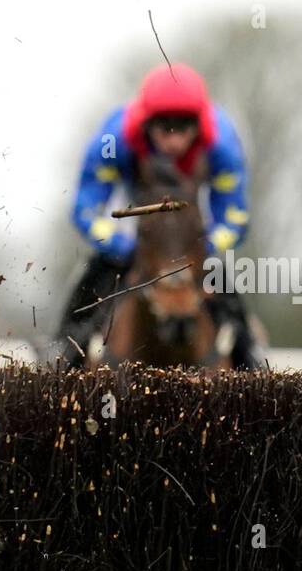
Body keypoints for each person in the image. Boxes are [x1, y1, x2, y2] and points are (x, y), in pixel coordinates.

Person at [56, 62, 264, 367]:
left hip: (192, 235)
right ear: (146, 124)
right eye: (164, 128)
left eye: (183, 129)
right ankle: (65, 352)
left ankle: (250, 358)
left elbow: (235, 218)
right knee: (92, 273)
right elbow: (84, 210)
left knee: (224, 284)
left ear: (199, 125)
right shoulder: (114, 139)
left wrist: (203, 248)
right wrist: (119, 245)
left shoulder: (222, 145)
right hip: (134, 233)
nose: (174, 142)